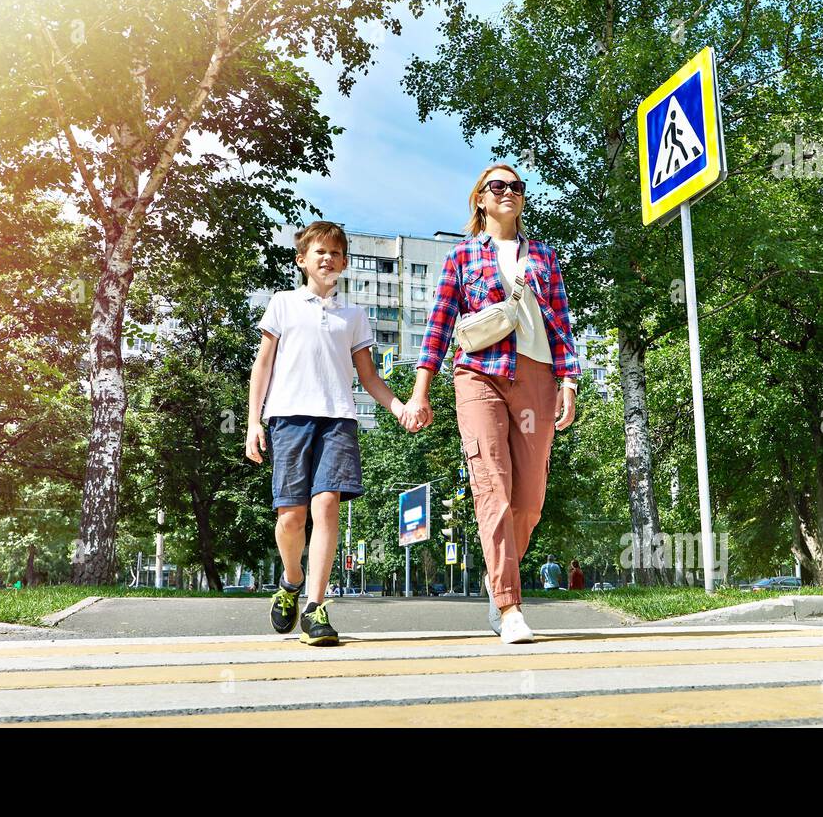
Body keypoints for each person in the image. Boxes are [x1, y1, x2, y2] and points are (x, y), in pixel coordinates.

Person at [404, 163, 580, 644]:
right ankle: (509, 606)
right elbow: (439, 325)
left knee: (529, 502)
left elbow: (561, 323)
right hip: (479, 374)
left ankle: (494, 574)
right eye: (497, 186)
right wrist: (420, 391)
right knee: (493, 489)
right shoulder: (462, 256)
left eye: (516, 187)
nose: (508, 192)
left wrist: (569, 380)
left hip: (538, 378)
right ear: (480, 199)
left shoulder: (543, 256)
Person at [246, 221, 406, 646]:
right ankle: (291, 581)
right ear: (302, 260)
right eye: (319, 251)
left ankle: (315, 608)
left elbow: (368, 377)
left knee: (327, 507)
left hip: (337, 420)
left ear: (345, 263)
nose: (327, 258)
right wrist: (252, 423)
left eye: (335, 253)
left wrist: (399, 407)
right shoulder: (282, 304)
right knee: (291, 517)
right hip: (287, 419)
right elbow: (262, 365)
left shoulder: (353, 315)